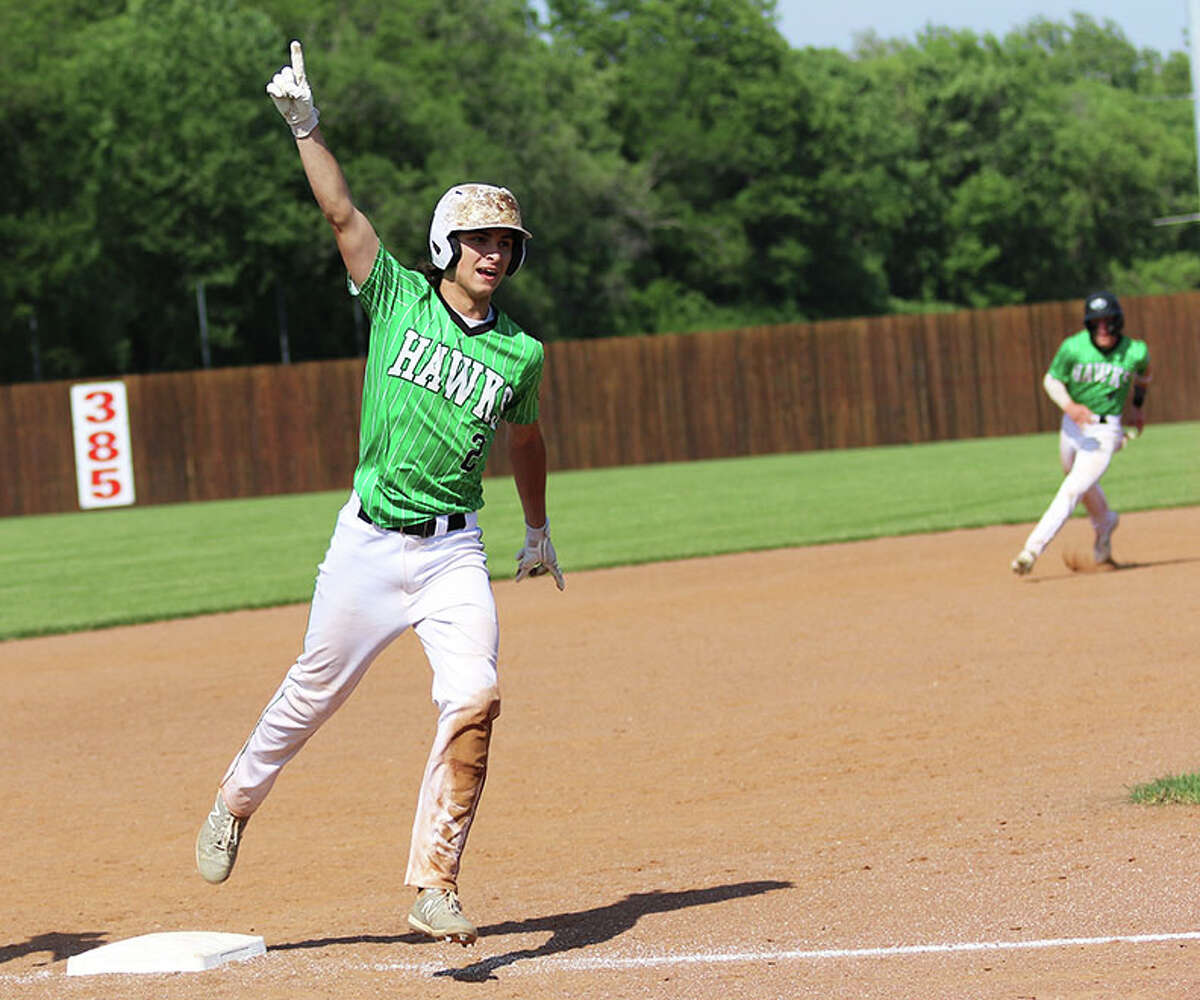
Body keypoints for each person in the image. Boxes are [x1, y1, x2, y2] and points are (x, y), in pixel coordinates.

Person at [195, 40, 565, 947]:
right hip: (367, 546)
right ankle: (236, 800)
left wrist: (539, 528)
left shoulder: (519, 353)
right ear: (447, 241)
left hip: (451, 553)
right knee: (310, 696)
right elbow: (340, 213)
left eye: (506, 243)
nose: (494, 254)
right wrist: (306, 127)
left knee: (476, 693)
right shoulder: (398, 295)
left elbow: (527, 436)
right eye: (480, 238)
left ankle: (434, 880)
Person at [1010, 290, 1151, 576]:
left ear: (1118, 322)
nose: (1103, 328)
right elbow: (1051, 380)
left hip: (1106, 428)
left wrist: (1136, 408)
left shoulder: (1135, 351)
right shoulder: (1073, 347)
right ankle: (1106, 521)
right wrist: (1069, 405)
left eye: (1108, 321)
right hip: (1073, 424)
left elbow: (1144, 377)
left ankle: (1031, 549)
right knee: (1074, 477)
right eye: (1096, 322)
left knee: (1073, 488)